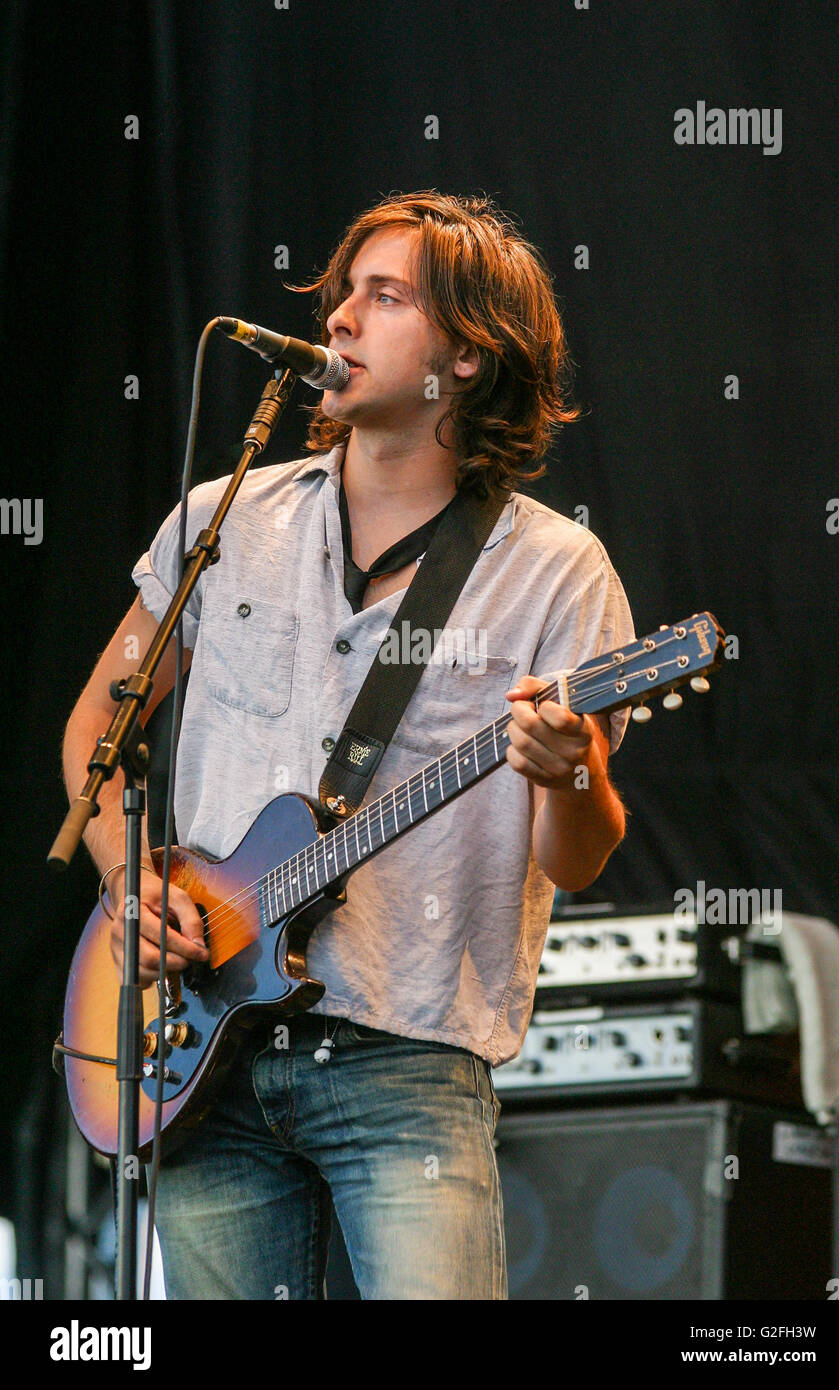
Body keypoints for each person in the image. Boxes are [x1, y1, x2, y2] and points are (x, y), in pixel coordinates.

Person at [62, 190, 635, 1299]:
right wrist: (130, 886)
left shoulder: (559, 571)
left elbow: (577, 856)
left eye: (384, 298)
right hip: (200, 1058)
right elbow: (98, 727)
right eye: (340, 297)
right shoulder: (221, 520)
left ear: (466, 356)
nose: (338, 321)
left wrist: (571, 771)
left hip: (406, 1061)